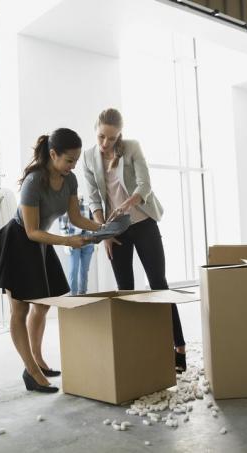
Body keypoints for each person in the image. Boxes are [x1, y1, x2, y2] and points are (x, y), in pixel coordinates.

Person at [0, 128, 100, 393]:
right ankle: (30, 371)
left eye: (76, 161)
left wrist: (102, 228)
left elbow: (76, 218)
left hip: (41, 242)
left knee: (42, 306)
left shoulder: (70, 180)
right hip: (18, 243)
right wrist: (68, 241)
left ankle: (38, 361)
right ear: (53, 154)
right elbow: (31, 232)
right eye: (68, 160)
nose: (72, 166)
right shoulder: (34, 182)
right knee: (19, 310)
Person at [82, 108, 187, 372]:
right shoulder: (87, 157)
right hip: (116, 229)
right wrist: (104, 232)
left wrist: (128, 204)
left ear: (120, 135)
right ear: (96, 130)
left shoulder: (131, 148)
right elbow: (94, 198)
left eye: (112, 138)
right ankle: (131, 349)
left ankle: (179, 347)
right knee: (125, 290)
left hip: (143, 223)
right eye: (101, 137)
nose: (106, 143)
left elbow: (145, 184)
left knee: (158, 284)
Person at [59, 196, 96, 295]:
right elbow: (63, 227)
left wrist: (95, 240)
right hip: (73, 241)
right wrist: (66, 244)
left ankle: (83, 294)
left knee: (85, 270)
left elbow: (93, 223)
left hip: (88, 241)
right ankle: (73, 296)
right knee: (73, 270)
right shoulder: (65, 208)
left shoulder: (88, 206)